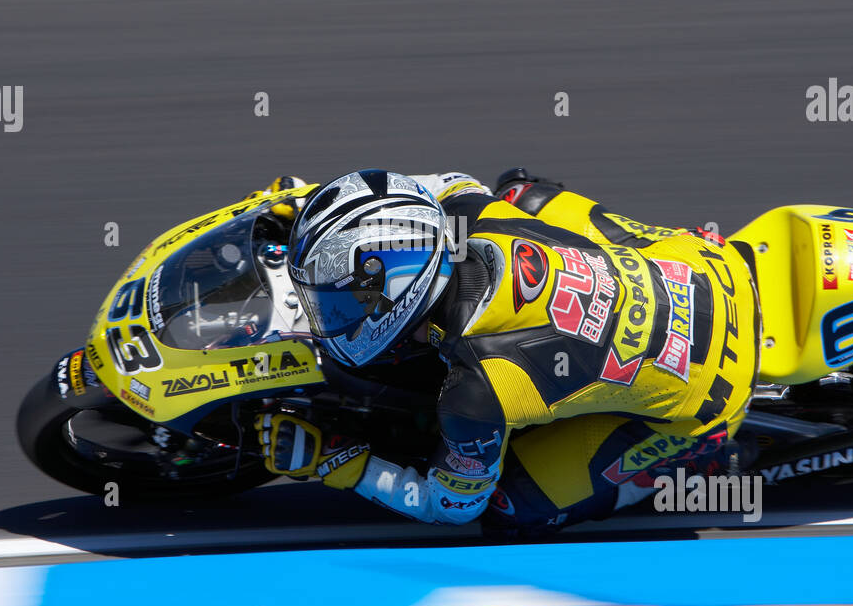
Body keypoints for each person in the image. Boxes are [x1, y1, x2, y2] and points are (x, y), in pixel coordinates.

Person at [256, 169, 761, 531]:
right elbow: (444, 184)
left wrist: (337, 463)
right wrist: (317, 208)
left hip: (711, 393)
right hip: (702, 263)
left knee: (508, 509)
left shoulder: (474, 393)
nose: (329, 315)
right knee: (520, 194)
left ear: (398, 292)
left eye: (339, 301)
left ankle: (689, 467)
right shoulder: (465, 218)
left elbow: (451, 506)